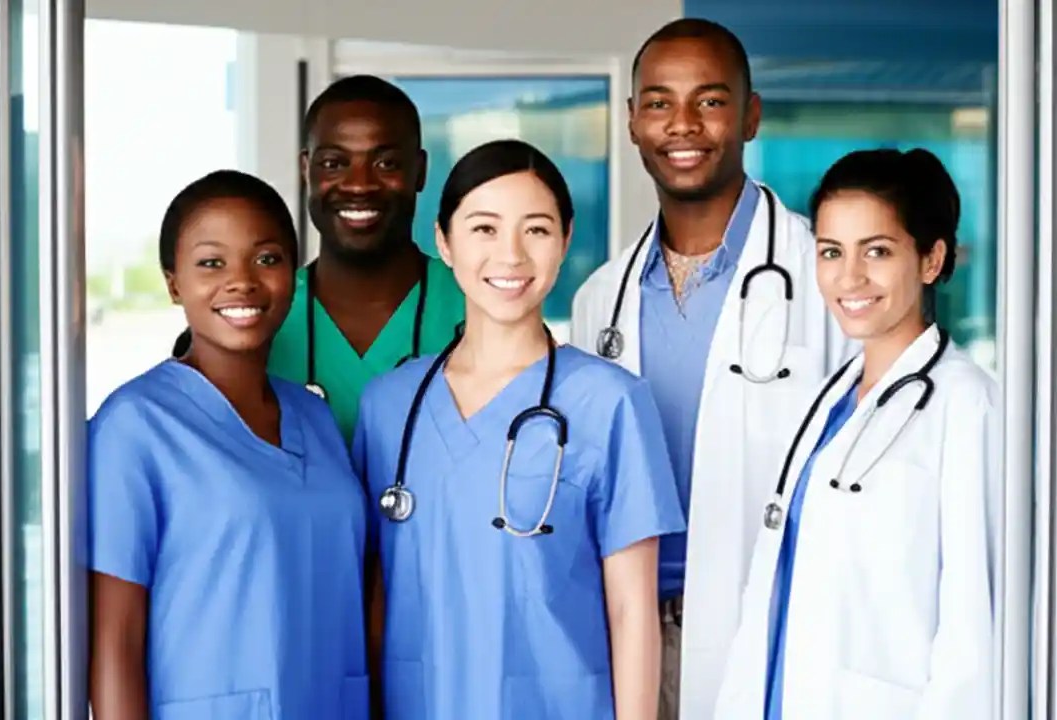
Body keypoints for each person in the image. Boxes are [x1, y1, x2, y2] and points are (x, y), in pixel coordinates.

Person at [569, 18, 853, 718]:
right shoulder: (599, 300)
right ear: (632, 122)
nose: (683, 125)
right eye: (659, 102)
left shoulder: (823, 278)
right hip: (630, 636)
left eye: (711, 100)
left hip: (772, 630)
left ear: (751, 116)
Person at [353, 139, 685, 719]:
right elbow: (376, 591)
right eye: (484, 228)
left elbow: (633, 610)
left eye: (536, 229)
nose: (510, 255)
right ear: (443, 241)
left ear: (565, 240)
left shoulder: (611, 403)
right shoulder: (389, 406)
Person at [713, 148, 1001, 719]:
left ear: (931, 259)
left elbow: (975, 624)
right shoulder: (829, 400)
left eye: (877, 251)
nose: (850, 277)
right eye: (831, 252)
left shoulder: (968, 403)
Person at [88, 170, 370, 719]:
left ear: (293, 275)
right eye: (211, 263)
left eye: (266, 258)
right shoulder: (134, 426)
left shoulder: (314, 416)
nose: (241, 281)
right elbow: (113, 637)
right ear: (173, 283)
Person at [172, 75, 465, 444]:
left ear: (419, 171)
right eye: (333, 163)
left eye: (386, 163)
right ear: (306, 169)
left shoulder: (475, 303)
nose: (359, 184)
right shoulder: (255, 312)